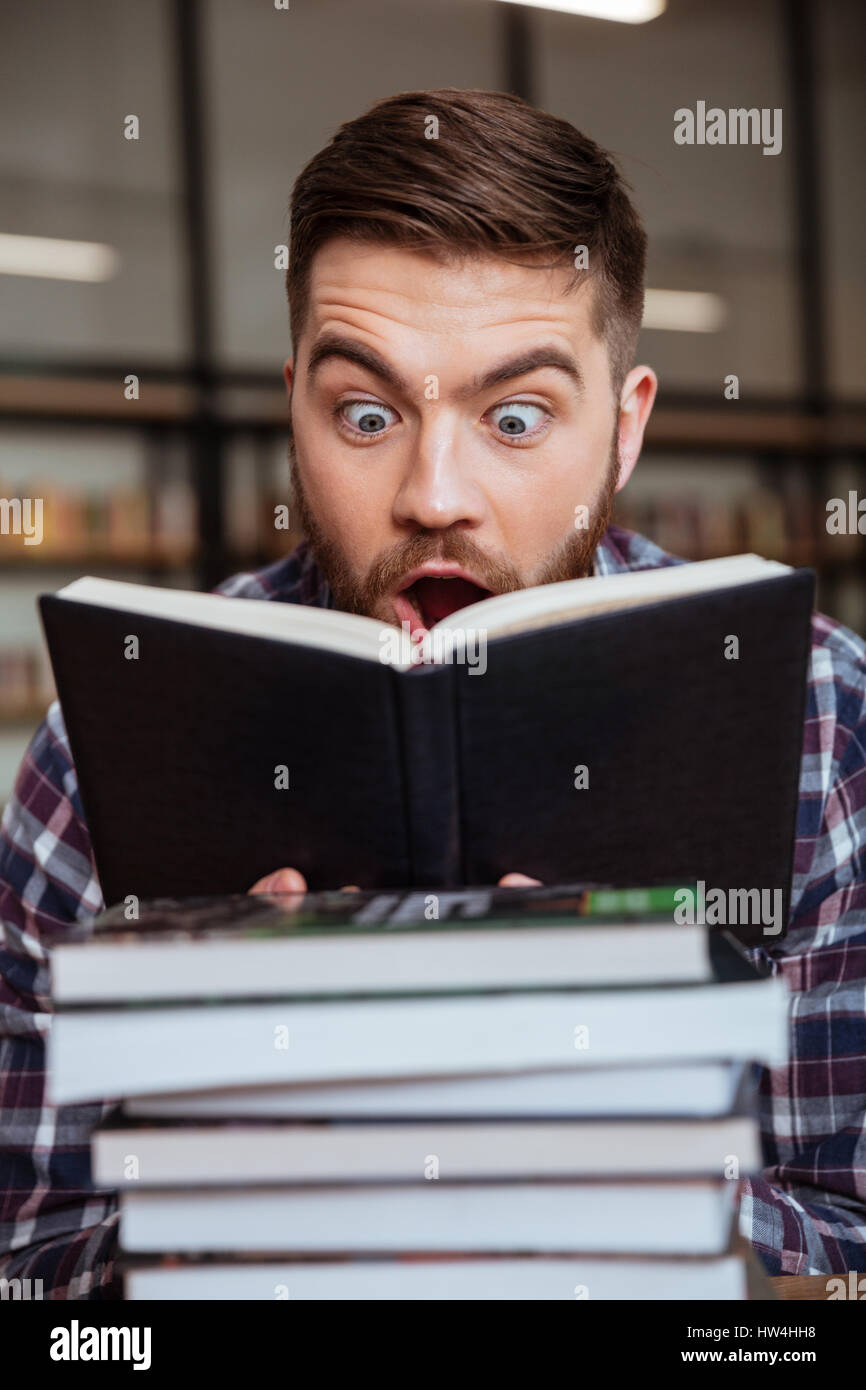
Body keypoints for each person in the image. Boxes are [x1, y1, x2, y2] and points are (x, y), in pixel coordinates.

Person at [2, 89, 864, 1298]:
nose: (434, 494)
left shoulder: (824, 719)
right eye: (366, 412)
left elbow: (850, 1239)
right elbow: (28, 1265)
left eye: (515, 417)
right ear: (293, 403)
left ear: (621, 433)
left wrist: (623, 1143)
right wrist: (212, 1163)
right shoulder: (100, 740)